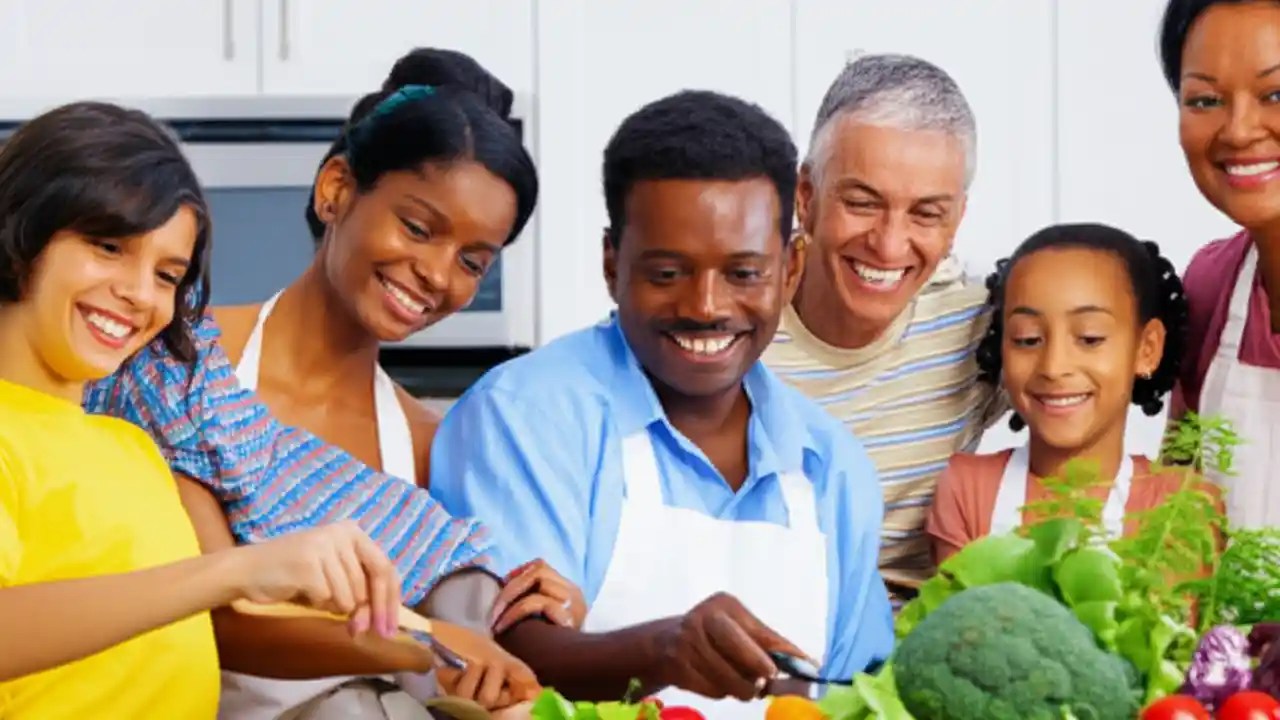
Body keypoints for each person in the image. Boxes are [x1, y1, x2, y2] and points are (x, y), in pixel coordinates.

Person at [80, 49, 566, 718]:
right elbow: (219, 619)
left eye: (471, 261)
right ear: (336, 188)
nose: (435, 273)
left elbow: (480, 639)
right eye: (417, 228)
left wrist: (538, 612)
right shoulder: (179, 365)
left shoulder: (431, 442)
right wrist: (425, 643)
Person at [431, 89, 895, 717]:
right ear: (610, 262)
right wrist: (665, 648)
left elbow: (854, 694)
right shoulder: (526, 416)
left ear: (790, 270)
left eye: (743, 273)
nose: (706, 306)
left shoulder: (832, 468)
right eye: (667, 272)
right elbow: (499, 657)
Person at [0, 101, 402, 719]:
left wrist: (432, 650)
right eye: (108, 246)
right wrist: (230, 573)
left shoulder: (131, 447)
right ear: (19, 230)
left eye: (168, 274)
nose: (138, 293)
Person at [761, 53, 1005, 604]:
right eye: (863, 203)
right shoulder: (731, 321)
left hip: (916, 656)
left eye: (926, 214)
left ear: (958, 218)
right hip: (753, 643)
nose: (890, 245)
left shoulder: (985, 322)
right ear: (806, 197)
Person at [926, 224, 1201, 561]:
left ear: (1147, 348)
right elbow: (959, 611)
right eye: (1028, 339)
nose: (1053, 367)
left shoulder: (1181, 507)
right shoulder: (967, 488)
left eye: (1090, 338)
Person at [1160, 0, 1280, 528]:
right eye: (1205, 100)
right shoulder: (1209, 287)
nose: (1238, 130)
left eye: (1275, 94)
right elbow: (1176, 533)